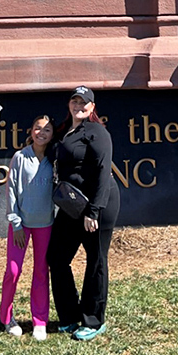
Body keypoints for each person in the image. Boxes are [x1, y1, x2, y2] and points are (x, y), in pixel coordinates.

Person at [47, 86, 119, 341]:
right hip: (71, 204)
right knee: (57, 257)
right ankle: (69, 315)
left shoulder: (97, 132)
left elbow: (102, 171)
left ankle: (93, 319)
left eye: (84, 102)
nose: (79, 106)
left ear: (92, 106)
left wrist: (94, 211)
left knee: (96, 260)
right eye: (74, 101)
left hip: (98, 204)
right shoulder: (64, 131)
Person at [0, 115, 55, 342]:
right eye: (38, 128)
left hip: (46, 225)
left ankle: (39, 321)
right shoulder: (20, 157)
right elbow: (11, 190)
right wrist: (16, 223)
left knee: (41, 272)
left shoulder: (54, 159)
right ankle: (6, 317)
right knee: (13, 271)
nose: (41, 133)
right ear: (31, 131)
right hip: (21, 225)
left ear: (52, 135)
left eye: (47, 130)